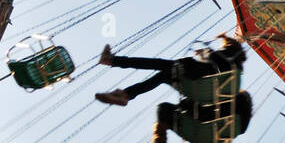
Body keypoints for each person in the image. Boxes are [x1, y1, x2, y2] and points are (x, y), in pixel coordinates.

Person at [93, 35, 247, 106]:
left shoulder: (228, 57)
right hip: (196, 89)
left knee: (158, 64)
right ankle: (126, 94)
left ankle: (112, 60)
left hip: (195, 74)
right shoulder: (235, 73)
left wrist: (205, 53)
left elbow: (216, 58)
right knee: (162, 76)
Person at [134, 91, 253, 143]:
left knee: (163, 108)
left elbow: (205, 108)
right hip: (205, 139)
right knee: (170, 113)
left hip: (200, 124)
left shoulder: (229, 101)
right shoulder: (239, 125)